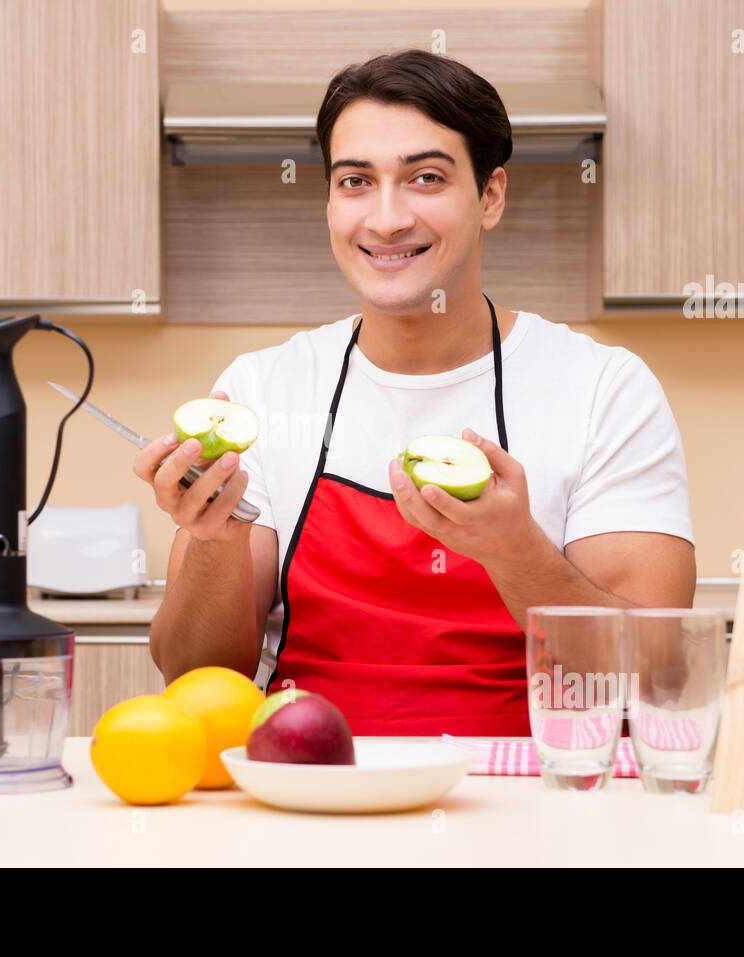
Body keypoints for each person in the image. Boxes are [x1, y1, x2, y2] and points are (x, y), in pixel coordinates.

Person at [134, 49, 695, 735]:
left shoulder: (605, 390)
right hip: (312, 785)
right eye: (355, 181)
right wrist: (211, 535)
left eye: (426, 177)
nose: (388, 217)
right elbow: (193, 677)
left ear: (490, 197)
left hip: (536, 803)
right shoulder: (261, 389)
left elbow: (655, 674)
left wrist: (515, 549)